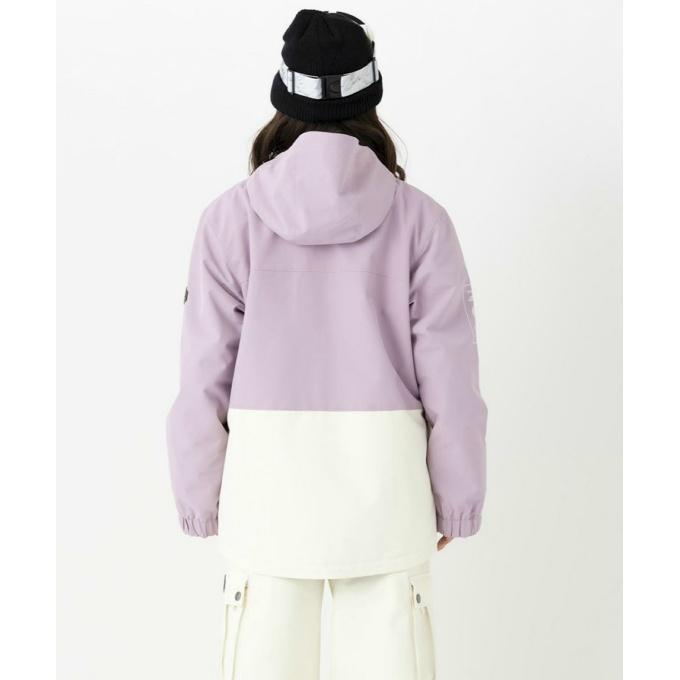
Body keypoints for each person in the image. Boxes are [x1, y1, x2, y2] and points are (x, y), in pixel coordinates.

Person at [167, 9, 487, 680]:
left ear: (285, 99)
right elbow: (450, 376)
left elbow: (204, 371)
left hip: (265, 494)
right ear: (370, 97)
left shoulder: (228, 219)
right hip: (388, 494)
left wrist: (200, 495)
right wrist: (456, 495)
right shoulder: (422, 222)